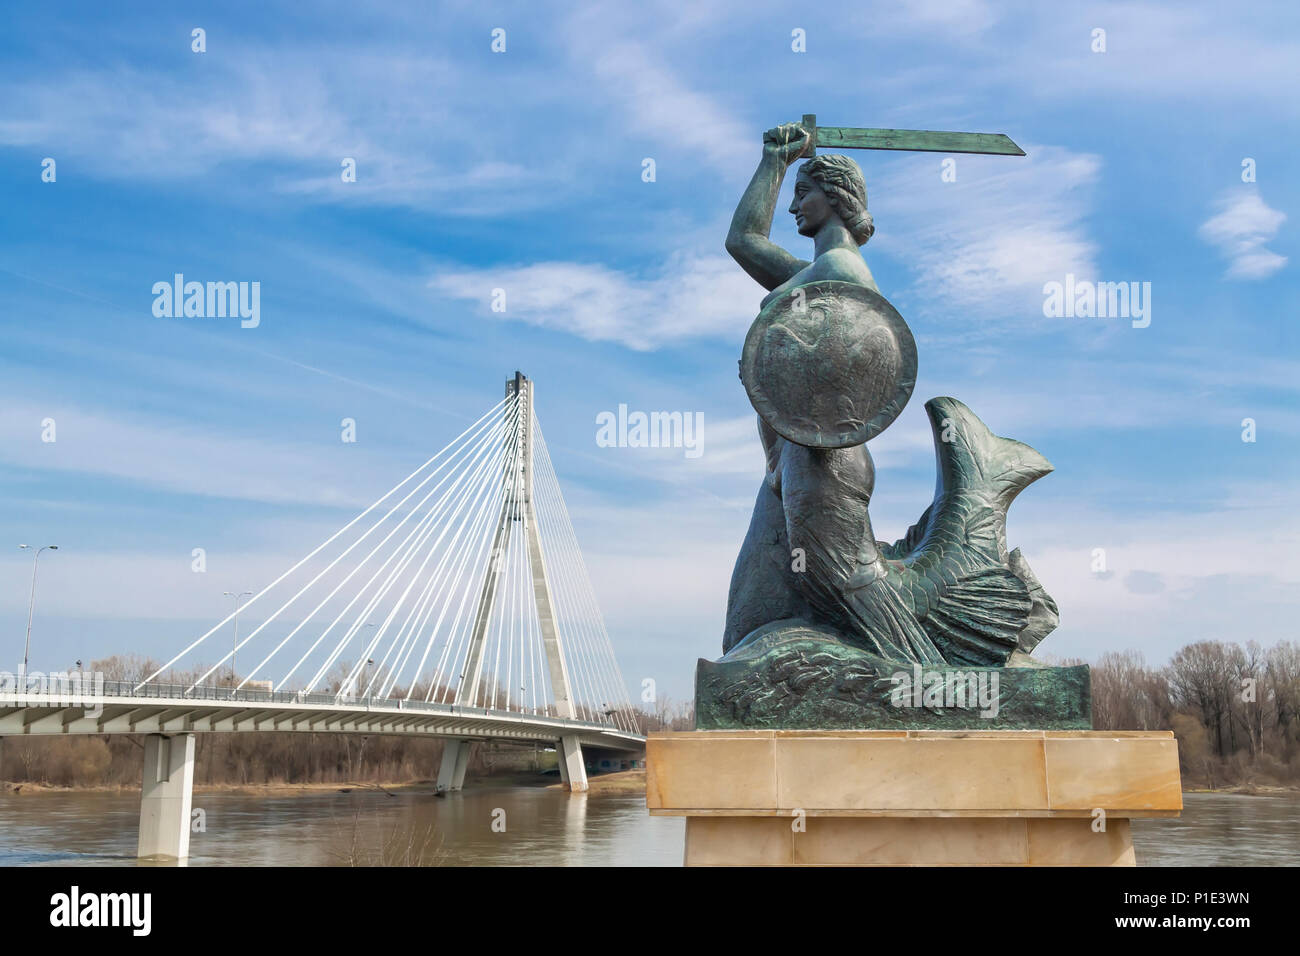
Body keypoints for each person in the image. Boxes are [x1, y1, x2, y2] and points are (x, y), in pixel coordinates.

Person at [722, 122, 943, 664]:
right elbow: (743, 242)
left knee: (840, 583)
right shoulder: (819, 270)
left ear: (837, 197)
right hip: (788, 459)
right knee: (752, 617)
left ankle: (928, 673)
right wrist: (775, 161)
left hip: (820, 459)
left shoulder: (841, 270)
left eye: (805, 193)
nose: (795, 207)